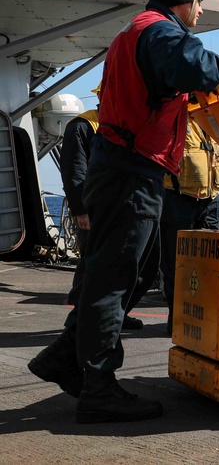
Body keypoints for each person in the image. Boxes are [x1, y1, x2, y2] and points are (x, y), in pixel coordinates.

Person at [28, 0, 219, 423]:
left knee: (132, 273)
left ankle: (64, 358)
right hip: (129, 172)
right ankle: (98, 388)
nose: (200, 12)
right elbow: (196, 66)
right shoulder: (161, 32)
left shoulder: (135, 32)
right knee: (115, 278)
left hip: (126, 170)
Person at [59, 85, 145, 331]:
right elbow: (74, 171)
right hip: (94, 208)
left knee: (121, 263)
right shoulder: (83, 126)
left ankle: (115, 312)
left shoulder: (123, 125)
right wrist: (80, 211)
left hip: (122, 206)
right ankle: (79, 315)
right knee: (92, 262)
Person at [159, 113, 219, 335]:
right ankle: (176, 317)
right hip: (179, 197)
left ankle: (205, 318)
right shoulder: (176, 118)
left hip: (210, 200)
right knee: (175, 262)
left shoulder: (216, 123)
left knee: (209, 263)